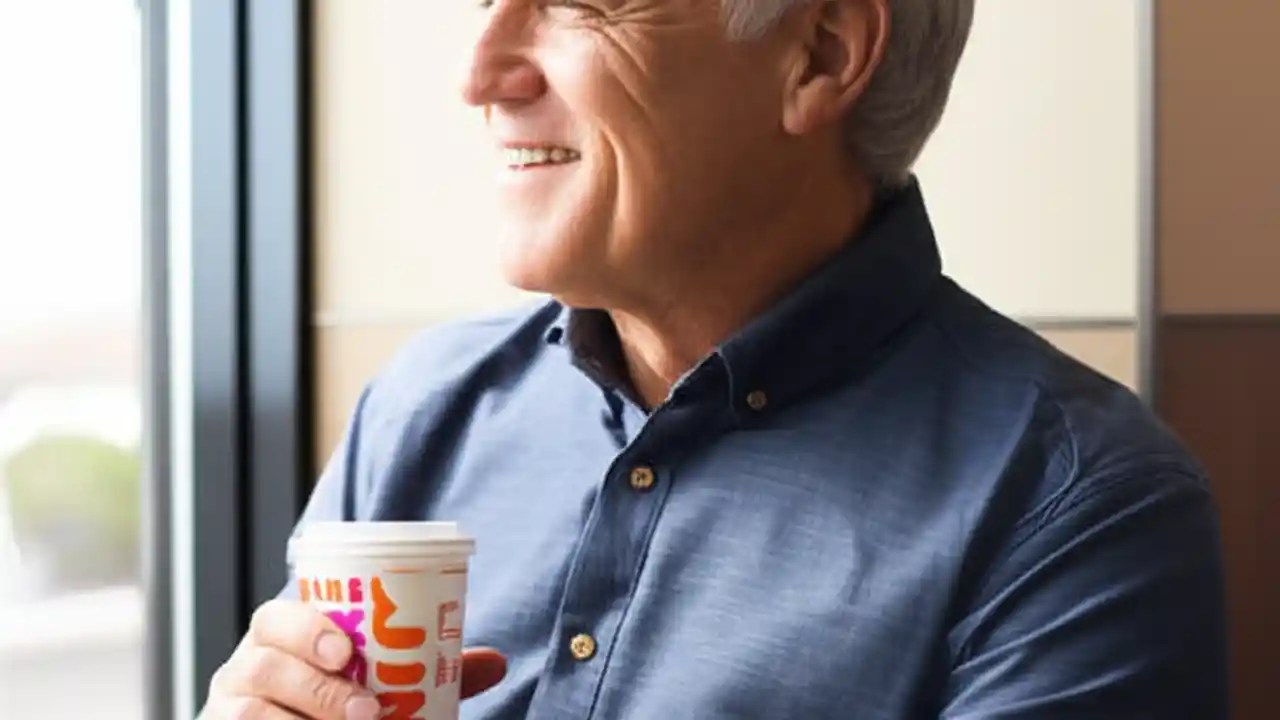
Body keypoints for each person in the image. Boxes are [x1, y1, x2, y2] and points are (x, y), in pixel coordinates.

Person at [201, 0, 1229, 718]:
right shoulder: (423, 411)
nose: (480, 73)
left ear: (820, 54)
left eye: (581, 3)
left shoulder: (1078, 508)